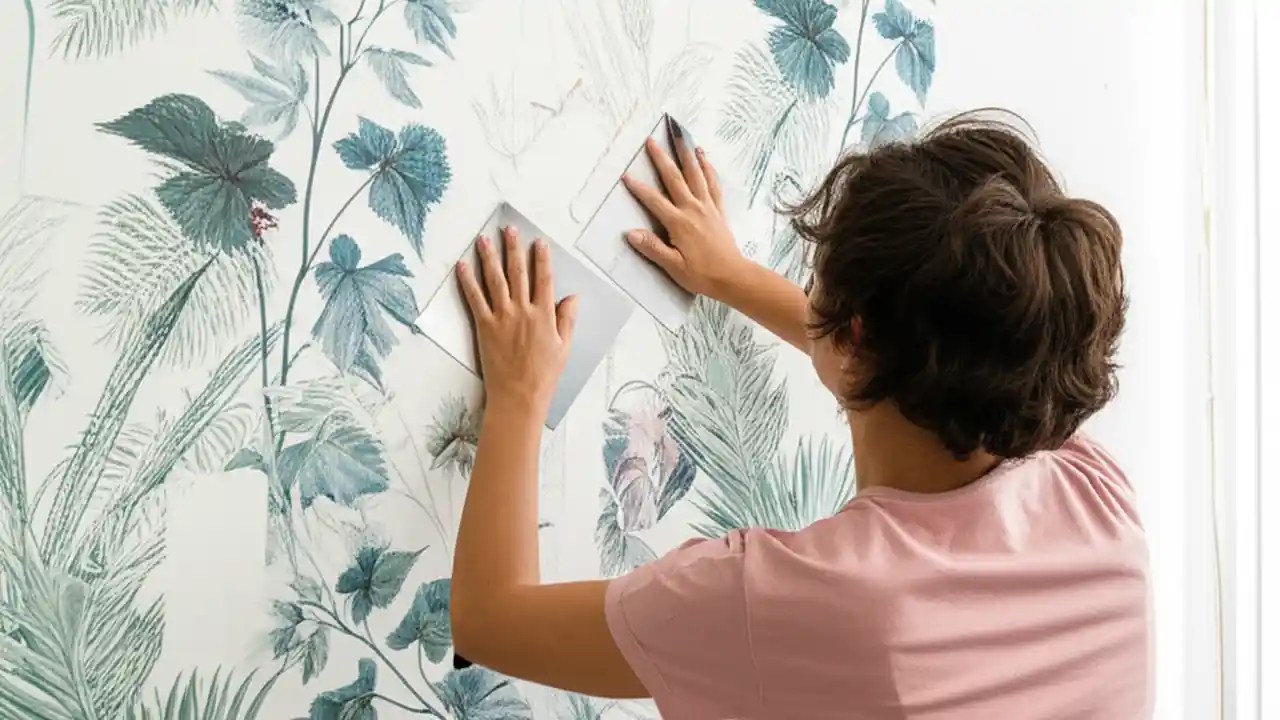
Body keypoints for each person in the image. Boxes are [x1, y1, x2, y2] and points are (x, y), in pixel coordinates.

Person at [448, 111, 1152, 719]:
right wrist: (733, 276)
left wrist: (518, 397)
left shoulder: (792, 604)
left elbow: (490, 621)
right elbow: (939, 353)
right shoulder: (1094, 495)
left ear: (854, 336)